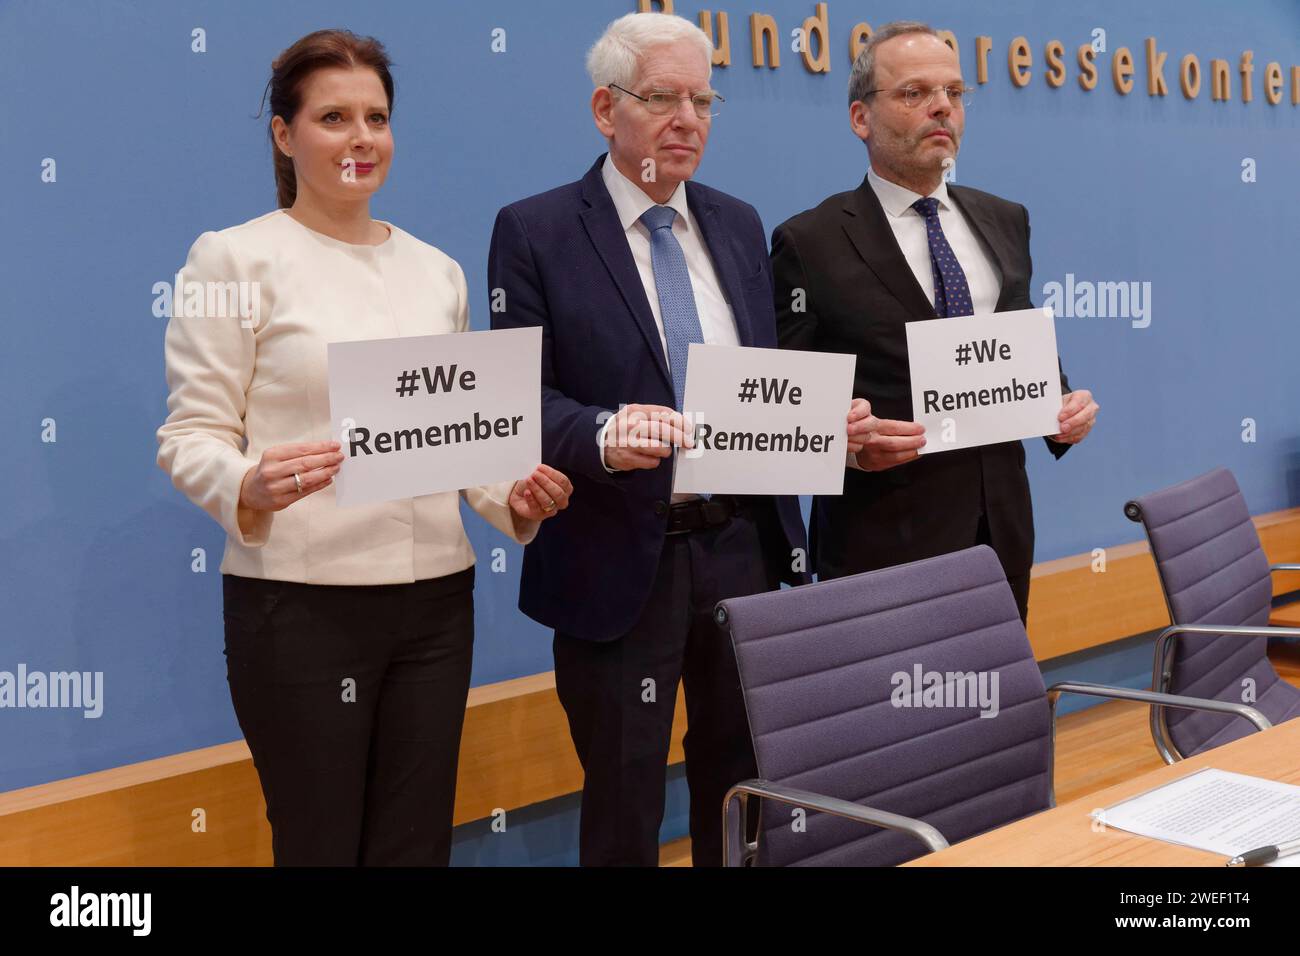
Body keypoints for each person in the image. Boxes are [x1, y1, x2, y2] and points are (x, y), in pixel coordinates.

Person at [155, 29, 571, 866]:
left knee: (415, 844)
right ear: (284, 134)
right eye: (333, 117)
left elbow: (454, 435)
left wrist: (510, 495)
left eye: (376, 118)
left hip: (436, 605)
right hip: (302, 609)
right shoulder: (233, 258)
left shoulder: (438, 271)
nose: (360, 139)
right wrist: (248, 482)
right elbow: (189, 435)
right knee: (320, 843)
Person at [488, 12, 874, 866]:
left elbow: (761, 377)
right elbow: (517, 395)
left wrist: (822, 422)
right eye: (663, 97)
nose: (688, 119)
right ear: (605, 108)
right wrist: (599, 432)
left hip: (746, 545)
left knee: (742, 783)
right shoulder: (536, 230)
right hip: (620, 553)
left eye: (703, 99)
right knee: (624, 792)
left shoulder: (737, 223)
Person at [772, 21, 1098, 622]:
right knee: (888, 713)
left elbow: (1014, 338)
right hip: (880, 538)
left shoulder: (1005, 218)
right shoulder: (809, 241)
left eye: (954, 91)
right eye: (914, 93)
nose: (942, 107)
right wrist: (840, 445)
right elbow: (786, 401)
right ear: (860, 119)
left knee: (988, 707)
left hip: (998, 526)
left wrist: (1061, 409)